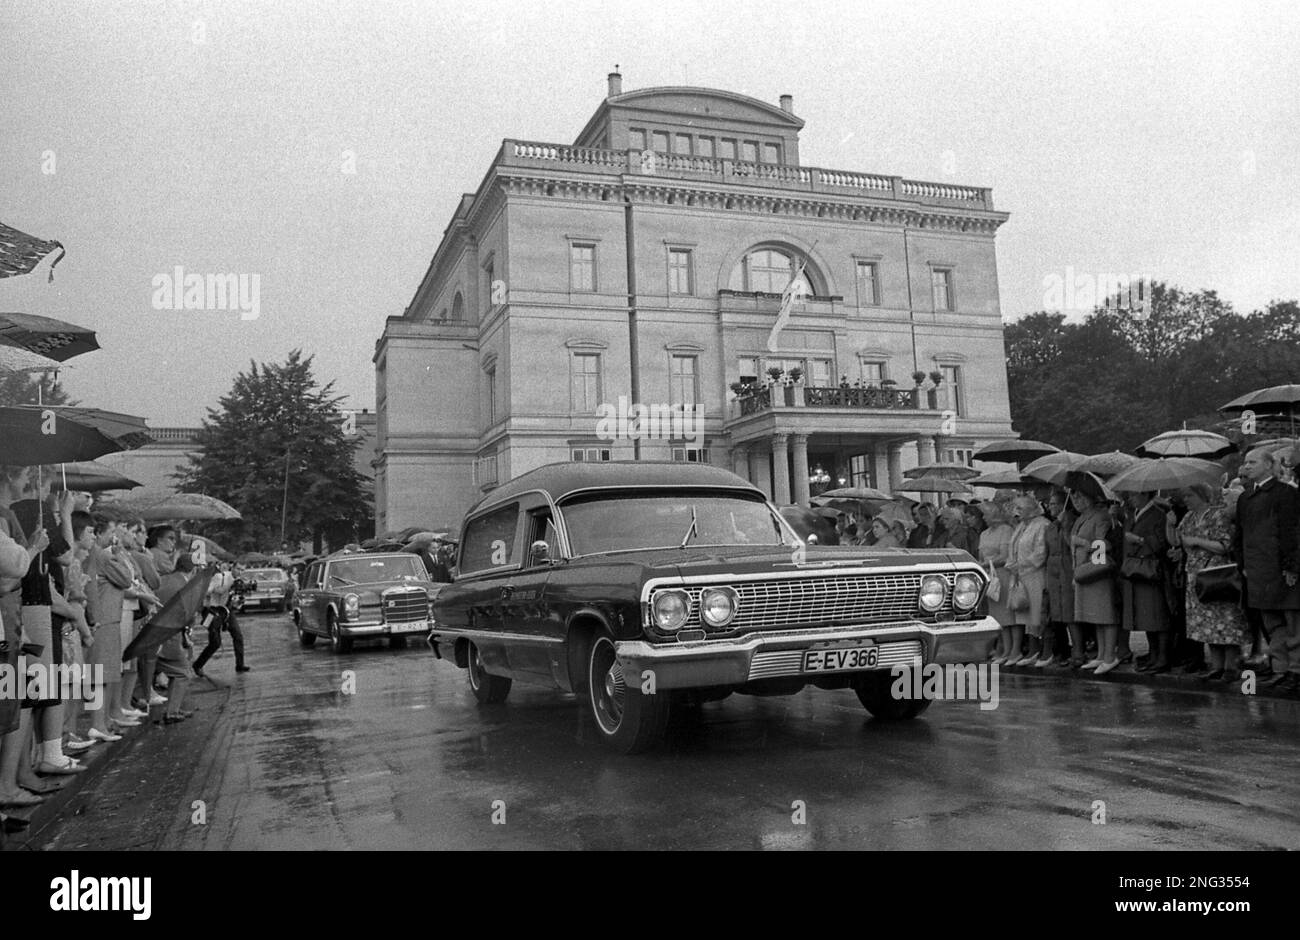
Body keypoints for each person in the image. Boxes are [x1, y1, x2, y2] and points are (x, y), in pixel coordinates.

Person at [1233, 446, 1300, 692]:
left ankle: (1296, 670)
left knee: (1293, 622)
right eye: (1245, 463)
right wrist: (1243, 566)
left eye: (1252, 462)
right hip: (1257, 570)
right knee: (1271, 623)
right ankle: (1280, 668)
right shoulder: (1244, 497)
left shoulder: (1285, 493)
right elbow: (1239, 536)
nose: (1246, 467)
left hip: (1281, 569)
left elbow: (1291, 532)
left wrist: (1292, 567)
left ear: (1269, 465)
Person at [1171, 483, 1246, 681]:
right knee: (1206, 622)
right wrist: (1170, 525)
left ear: (1202, 496)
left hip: (1217, 574)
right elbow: (1178, 541)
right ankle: (1217, 665)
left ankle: (1231, 666)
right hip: (1195, 575)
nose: (1185, 500)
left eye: (1189, 495)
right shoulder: (1187, 518)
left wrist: (1197, 541)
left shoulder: (1218, 516)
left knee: (1224, 619)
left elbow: (1224, 545)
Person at [1070, 481, 1121, 674]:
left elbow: (1103, 545)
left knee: (1105, 614)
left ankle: (1110, 655)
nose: (1077, 501)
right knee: (1095, 615)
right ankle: (1101, 654)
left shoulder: (1101, 516)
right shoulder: (1081, 518)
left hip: (1097, 572)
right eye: (1074, 497)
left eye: (1081, 497)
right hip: (1084, 571)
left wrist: (1084, 542)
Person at [1122, 491, 1174, 673]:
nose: (1131, 498)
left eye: (1134, 495)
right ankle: (1153, 654)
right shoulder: (1132, 515)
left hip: (1152, 569)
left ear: (1145, 495)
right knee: (1146, 615)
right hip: (1138, 569)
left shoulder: (1159, 514)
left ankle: (1163, 657)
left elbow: (1162, 542)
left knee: (1157, 615)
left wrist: (1139, 540)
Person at [1006, 495, 1050, 666]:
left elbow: (1040, 552)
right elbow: (1014, 548)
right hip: (1021, 574)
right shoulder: (1022, 526)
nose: (1017, 513)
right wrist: (1013, 565)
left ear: (1031, 509)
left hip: (1036, 574)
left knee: (1038, 611)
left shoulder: (1042, 524)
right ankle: (1032, 649)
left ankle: (1042, 649)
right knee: (1025, 612)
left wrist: (1021, 564)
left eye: (1021, 509)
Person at [1044, 487, 1080, 666]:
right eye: (1049, 504)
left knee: (1069, 613)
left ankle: (1078, 651)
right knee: (1056, 613)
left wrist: (1065, 527)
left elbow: (1071, 545)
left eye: (1053, 504)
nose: (1050, 507)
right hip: (1053, 572)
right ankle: (1062, 650)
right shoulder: (1050, 526)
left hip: (1067, 570)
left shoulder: (1071, 522)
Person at [193, 565, 250, 677]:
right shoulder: (220, 577)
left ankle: (240, 664)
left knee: (238, 636)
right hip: (211, 611)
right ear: (232, 567)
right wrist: (221, 590)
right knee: (215, 643)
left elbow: (237, 602)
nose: (240, 572)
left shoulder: (240, 582)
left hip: (227, 611)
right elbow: (206, 592)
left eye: (242, 570)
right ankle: (198, 665)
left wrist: (238, 602)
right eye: (238, 568)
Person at [978, 503, 1015, 663]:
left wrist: (986, 564)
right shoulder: (984, 533)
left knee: (1005, 616)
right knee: (994, 615)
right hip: (988, 575)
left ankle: (1008, 650)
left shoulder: (1005, 530)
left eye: (986, 515)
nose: (984, 518)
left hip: (1001, 575)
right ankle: (999, 648)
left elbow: (1005, 556)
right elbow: (980, 554)